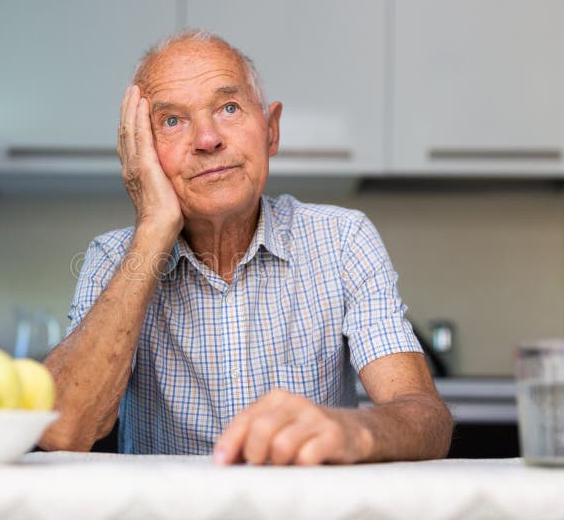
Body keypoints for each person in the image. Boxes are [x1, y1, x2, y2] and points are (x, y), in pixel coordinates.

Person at [39, 29, 453, 465]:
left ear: (271, 131)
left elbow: (425, 417)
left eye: (229, 108)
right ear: (138, 153)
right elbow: (64, 429)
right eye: (172, 121)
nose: (207, 139)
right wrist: (154, 227)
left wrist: (355, 431)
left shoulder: (343, 239)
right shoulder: (112, 258)